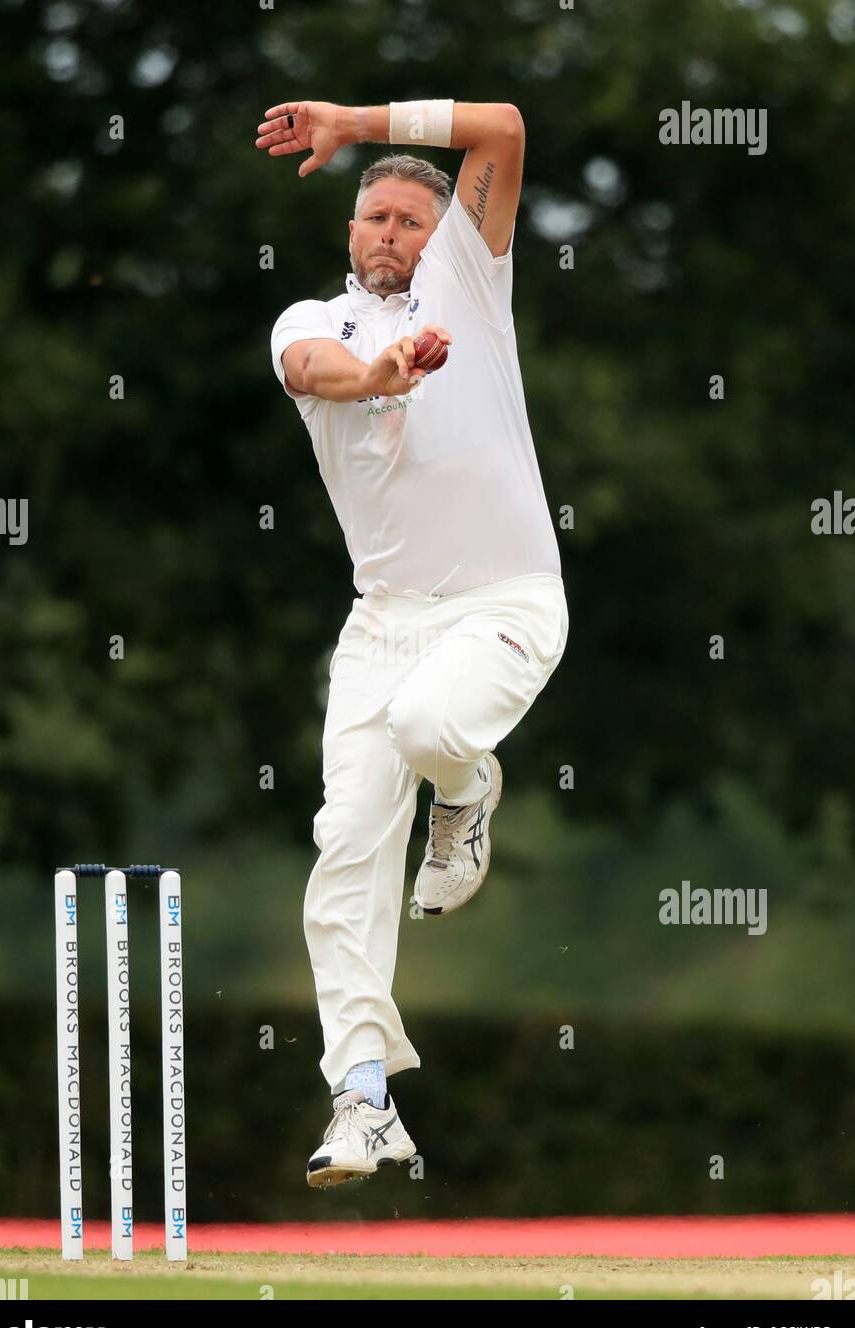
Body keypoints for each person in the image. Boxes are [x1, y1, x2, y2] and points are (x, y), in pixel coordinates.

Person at [260, 98, 568, 1187]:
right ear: (350, 230)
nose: (389, 234)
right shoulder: (312, 320)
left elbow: (505, 128)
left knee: (434, 726)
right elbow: (310, 370)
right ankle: (363, 1098)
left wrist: (353, 120)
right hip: (382, 621)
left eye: (409, 220)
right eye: (374, 218)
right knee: (345, 843)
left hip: (504, 598)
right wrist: (380, 376)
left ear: (442, 236)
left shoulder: (469, 281)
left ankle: (466, 791)